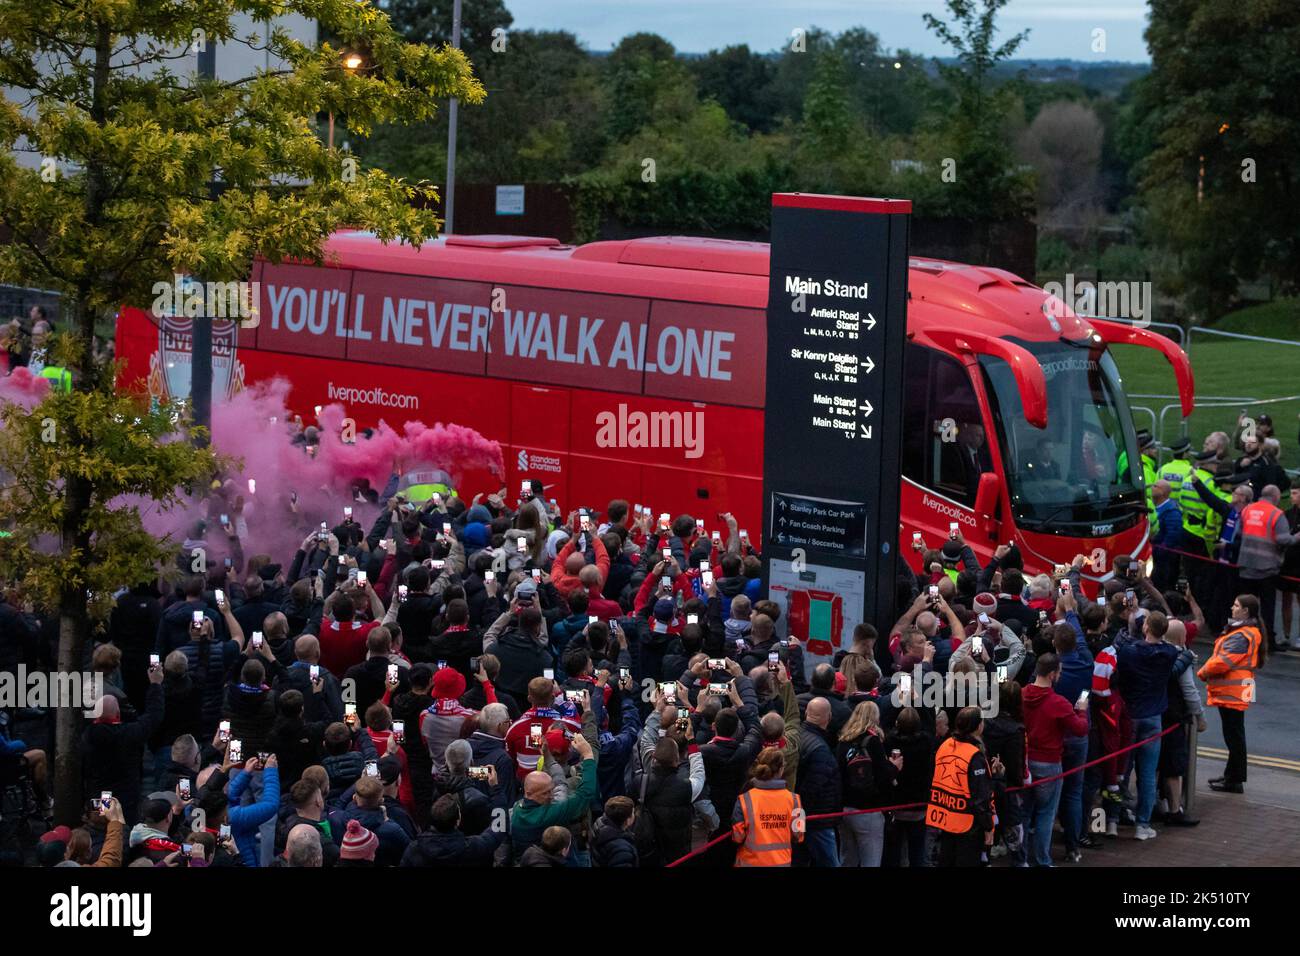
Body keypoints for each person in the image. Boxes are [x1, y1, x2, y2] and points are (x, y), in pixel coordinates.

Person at [1114, 609, 1180, 840]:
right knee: (1148, 773)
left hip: (1131, 716)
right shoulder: (1170, 652)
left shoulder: (1129, 653)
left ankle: (1112, 819)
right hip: (1154, 718)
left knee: (1122, 771)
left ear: (1145, 628)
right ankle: (1143, 825)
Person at [1021, 654, 1088, 865]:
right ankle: (1042, 860)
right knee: (1045, 814)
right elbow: (1080, 729)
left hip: (1025, 762)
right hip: (1049, 764)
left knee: (1024, 814)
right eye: (1059, 672)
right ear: (1052, 675)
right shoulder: (1058, 703)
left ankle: (1020, 859)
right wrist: (1082, 711)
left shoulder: (1020, 695)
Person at [1197, 595, 1265, 794]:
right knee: (1235, 734)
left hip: (1232, 689)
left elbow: (1223, 661)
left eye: (1236, 605)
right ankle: (1232, 775)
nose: (1232, 607)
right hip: (1239, 687)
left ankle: (1234, 780)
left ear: (1245, 611)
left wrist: (1203, 672)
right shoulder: (1245, 631)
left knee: (1234, 736)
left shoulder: (1241, 634)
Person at [926, 706, 995, 867]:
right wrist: (988, 826)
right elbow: (980, 797)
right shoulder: (974, 755)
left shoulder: (946, 744)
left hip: (945, 818)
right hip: (968, 824)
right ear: (978, 727)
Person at [835, 700, 900, 867]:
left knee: (847, 860)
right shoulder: (873, 741)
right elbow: (883, 777)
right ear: (875, 718)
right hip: (869, 810)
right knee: (870, 861)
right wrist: (895, 768)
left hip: (845, 809)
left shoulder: (843, 740)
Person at [1237, 485, 1295, 651]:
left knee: (1245, 607)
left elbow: (1240, 532)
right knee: (1267, 607)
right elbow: (1284, 540)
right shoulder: (1277, 514)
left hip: (1246, 565)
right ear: (1276, 497)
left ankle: (1242, 638)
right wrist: (1297, 537)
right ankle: (1267, 640)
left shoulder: (1248, 510)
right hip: (1267, 568)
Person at [731, 748, 804, 867]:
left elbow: (737, 837)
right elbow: (799, 836)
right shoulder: (795, 800)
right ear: (781, 769)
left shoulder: (744, 799)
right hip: (782, 863)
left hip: (749, 863)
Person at [794, 696, 841, 867]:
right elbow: (813, 787)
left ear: (806, 713)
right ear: (828, 718)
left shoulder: (797, 736)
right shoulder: (820, 748)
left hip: (801, 815)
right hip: (817, 819)